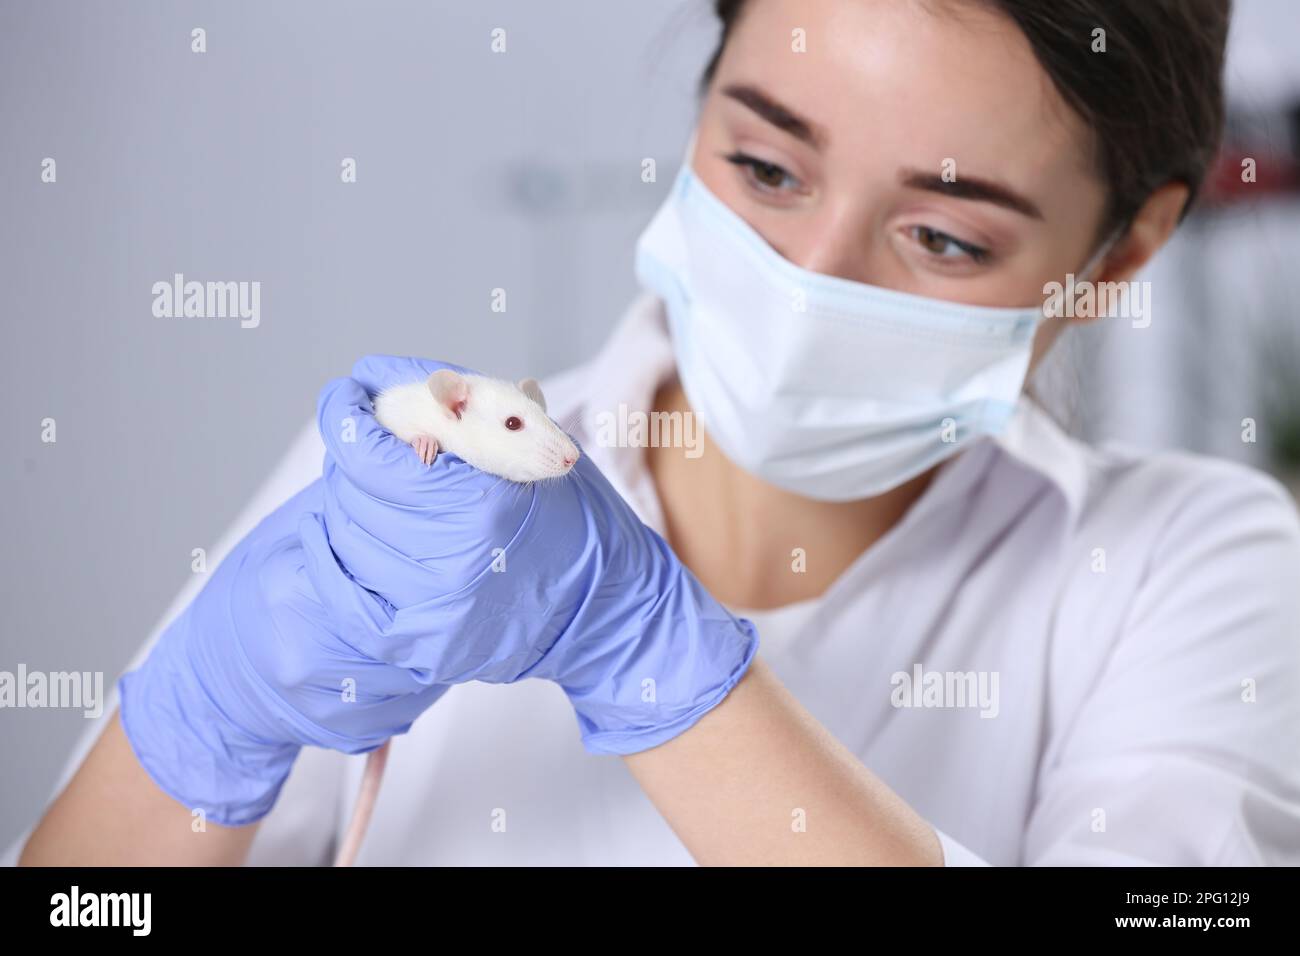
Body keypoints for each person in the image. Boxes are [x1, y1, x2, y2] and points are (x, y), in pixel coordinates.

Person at [14, 0, 1300, 867]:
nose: (811, 277)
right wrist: (198, 719)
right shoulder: (430, 490)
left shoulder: (1191, 565)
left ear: (1121, 250)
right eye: (766, 168)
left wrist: (645, 653)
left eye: (945, 236)